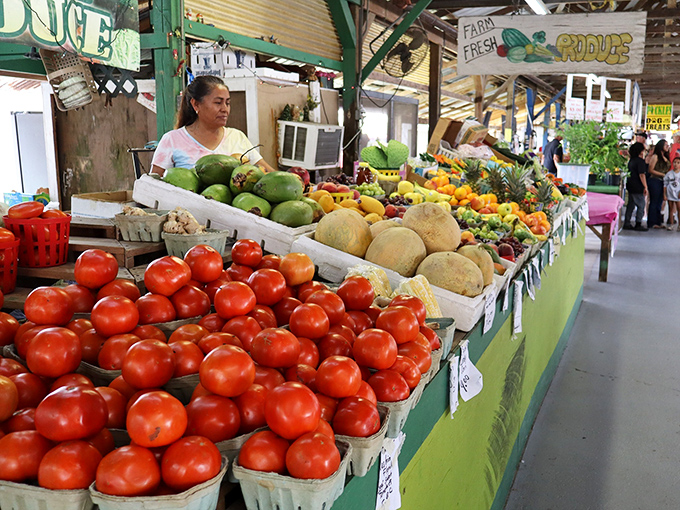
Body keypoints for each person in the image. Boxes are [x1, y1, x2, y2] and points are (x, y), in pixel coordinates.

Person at [151, 75, 275, 175]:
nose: (225, 109)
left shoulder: (237, 137)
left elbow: (267, 173)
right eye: (218, 103)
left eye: (227, 103)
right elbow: (154, 186)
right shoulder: (172, 140)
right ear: (196, 104)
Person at [623, 142, 649, 231]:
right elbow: (642, 175)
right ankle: (638, 223)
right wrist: (645, 186)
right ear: (640, 151)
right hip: (638, 186)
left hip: (630, 185)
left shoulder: (631, 161)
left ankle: (627, 222)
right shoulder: (640, 162)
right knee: (641, 205)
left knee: (631, 204)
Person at [646, 139, 671, 229]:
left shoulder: (666, 157)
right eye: (665, 145)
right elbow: (651, 170)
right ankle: (652, 222)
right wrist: (663, 174)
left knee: (660, 202)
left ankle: (658, 221)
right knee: (654, 201)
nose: (667, 147)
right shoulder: (655, 156)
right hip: (655, 180)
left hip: (663, 182)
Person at [663, 157, 680, 231]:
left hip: (678, 193)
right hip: (670, 192)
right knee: (670, 208)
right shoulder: (669, 173)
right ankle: (671, 224)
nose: (676, 164)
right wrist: (664, 194)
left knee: (679, 209)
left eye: (678, 163)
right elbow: (665, 184)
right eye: (675, 162)